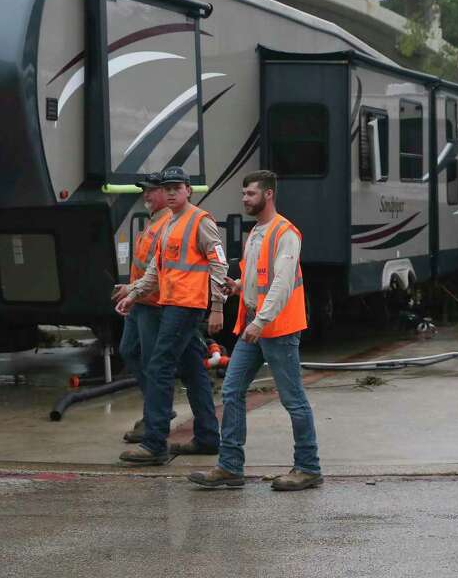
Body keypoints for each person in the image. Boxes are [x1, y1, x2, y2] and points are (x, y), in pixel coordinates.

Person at [189, 170, 322, 491]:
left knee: (293, 400)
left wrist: (260, 320)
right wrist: (237, 287)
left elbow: (282, 281)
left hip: (276, 328)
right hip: (254, 325)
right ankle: (230, 467)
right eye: (244, 194)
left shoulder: (286, 232)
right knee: (232, 391)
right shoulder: (256, 234)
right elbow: (257, 279)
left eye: (250, 194)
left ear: (268, 195)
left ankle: (308, 467)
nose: (244, 199)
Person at [115, 166, 225, 465]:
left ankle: (155, 443)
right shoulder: (169, 224)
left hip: (186, 307)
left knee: (160, 366)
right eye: (169, 188)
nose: (173, 192)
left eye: (178, 187)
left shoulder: (200, 221)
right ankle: (207, 437)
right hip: (170, 304)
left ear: (188, 190)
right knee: (192, 368)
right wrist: (134, 294)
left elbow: (219, 266)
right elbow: (155, 270)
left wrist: (217, 307)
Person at [111, 172, 175, 444]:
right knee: (128, 351)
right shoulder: (153, 222)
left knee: (152, 363)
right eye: (144, 191)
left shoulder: (168, 224)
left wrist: (134, 291)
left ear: (165, 193)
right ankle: (158, 409)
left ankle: (154, 419)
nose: (146, 196)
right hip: (139, 301)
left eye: (151, 191)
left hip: (153, 304)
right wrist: (129, 289)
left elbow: (160, 269)